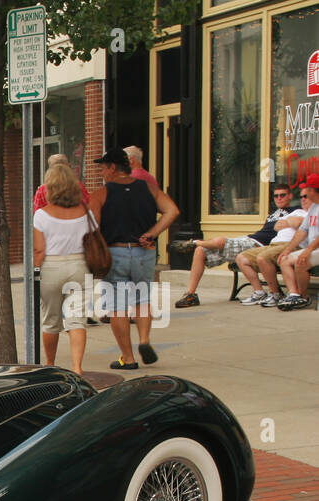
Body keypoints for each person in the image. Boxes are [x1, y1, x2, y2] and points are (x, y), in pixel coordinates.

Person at [89, 146, 179, 370]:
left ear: (112, 167)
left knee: (117, 307)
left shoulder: (102, 193)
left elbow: (93, 226)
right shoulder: (148, 188)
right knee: (142, 298)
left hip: (115, 251)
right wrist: (152, 233)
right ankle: (145, 340)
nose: (102, 172)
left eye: (103, 167)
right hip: (143, 251)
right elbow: (172, 211)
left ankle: (128, 358)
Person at [168, 185, 300, 307]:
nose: (279, 198)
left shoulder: (296, 211)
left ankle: (194, 242)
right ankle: (191, 295)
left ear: (290, 196)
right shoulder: (273, 214)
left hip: (259, 246)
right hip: (249, 239)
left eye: (282, 195)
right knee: (200, 251)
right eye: (276, 196)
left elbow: (295, 227)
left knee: (221, 241)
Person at [33, 164, 91, 376]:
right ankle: (77, 367)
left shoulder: (41, 214)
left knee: (50, 319)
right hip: (79, 265)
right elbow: (91, 241)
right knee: (77, 319)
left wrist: (35, 270)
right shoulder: (85, 212)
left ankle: (50, 363)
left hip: (51, 266)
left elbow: (39, 249)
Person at [235, 188, 308, 307]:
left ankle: (276, 294)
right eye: (301, 197)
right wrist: (291, 221)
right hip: (274, 244)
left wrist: (289, 222)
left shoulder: (311, 213)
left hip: (291, 245)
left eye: (306, 197)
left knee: (263, 258)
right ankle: (259, 292)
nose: (303, 200)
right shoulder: (296, 212)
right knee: (241, 258)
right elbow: (277, 226)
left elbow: (298, 224)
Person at [276, 175, 319, 311]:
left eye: (306, 190)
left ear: (312, 190)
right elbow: (302, 231)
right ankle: (295, 295)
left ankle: (304, 297)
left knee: (301, 262)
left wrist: (308, 250)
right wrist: (288, 249)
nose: (304, 195)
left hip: (316, 248)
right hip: (314, 249)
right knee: (285, 260)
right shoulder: (313, 208)